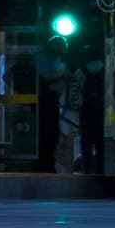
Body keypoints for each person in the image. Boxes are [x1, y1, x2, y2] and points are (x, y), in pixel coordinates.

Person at [34, 35, 73, 172]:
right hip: (45, 100)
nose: (61, 53)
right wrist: (63, 75)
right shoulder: (42, 57)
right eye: (61, 49)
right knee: (47, 132)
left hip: (52, 99)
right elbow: (46, 76)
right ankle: (44, 164)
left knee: (51, 133)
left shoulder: (54, 59)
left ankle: (47, 162)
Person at [76, 45, 104, 174]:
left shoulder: (80, 72)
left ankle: (87, 168)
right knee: (101, 140)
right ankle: (101, 168)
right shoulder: (106, 69)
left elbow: (75, 96)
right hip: (103, 111)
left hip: (86, 111)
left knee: (86, 141)